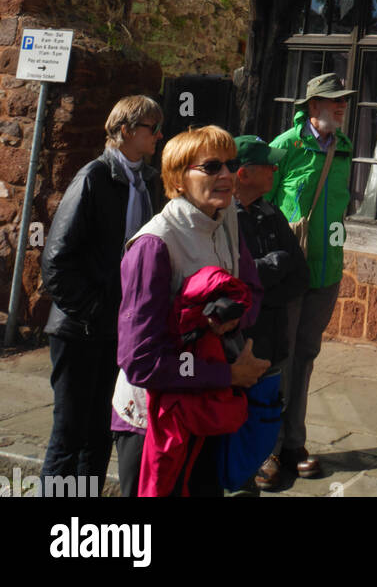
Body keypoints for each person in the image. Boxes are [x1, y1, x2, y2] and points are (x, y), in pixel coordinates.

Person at [113, 126, 268, 497]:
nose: (227, 176)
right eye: (212, 167)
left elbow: (253, 291)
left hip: (204, 409)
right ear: (178, 179)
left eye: (231, 165)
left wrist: (232, 317)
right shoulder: (153, 245)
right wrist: (227, 374)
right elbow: (140, 361)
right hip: (154, 420)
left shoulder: (227, 219)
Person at [39, 95, 164, 496]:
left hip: (117, 330)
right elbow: (56, 262)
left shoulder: (147, 182)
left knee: (99, 435)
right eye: (152, 128)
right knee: (69, 435)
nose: (160, 136)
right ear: (126, 130)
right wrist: (94, 311)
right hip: (79, 330)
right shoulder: (93, 177)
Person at [256, 73, 353, 489]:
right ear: (312, 107)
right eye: (333, 101)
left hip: (327, 271)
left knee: (307, 356)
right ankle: (269, 449)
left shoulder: (344, 148)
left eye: (344, 101)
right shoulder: (285, 146)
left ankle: (294, 442)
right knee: (281, 358)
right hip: (290, 273)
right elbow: (262, 203)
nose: (341, 107)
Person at [233, 136, 309, 369]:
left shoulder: (272, 214)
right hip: (236, 350)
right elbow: (230, 278)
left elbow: (300, 277)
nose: (274, 170)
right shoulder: (221, 220)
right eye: (267, 166)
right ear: (243, 175)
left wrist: (259, 296)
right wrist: (274, 267)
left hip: (273, 345)